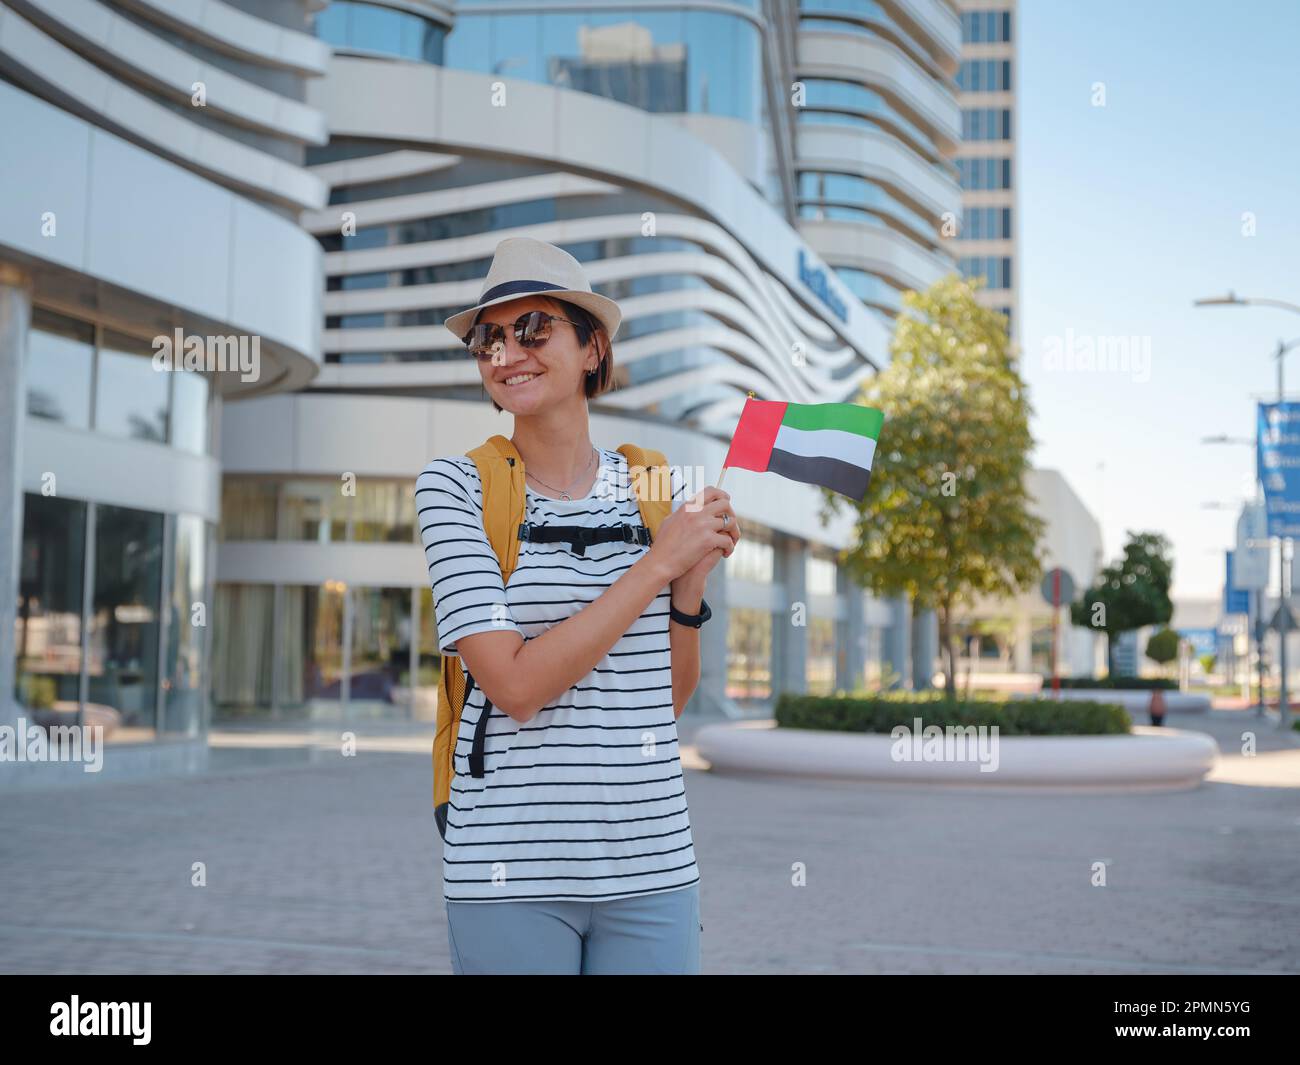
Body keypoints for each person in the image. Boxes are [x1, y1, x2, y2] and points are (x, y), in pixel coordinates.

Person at [415, 236, 740, 974]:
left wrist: (687, 593)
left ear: (592, 348)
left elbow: (666, 700)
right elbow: (517, 686)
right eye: (488, 338)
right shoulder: (455, 488)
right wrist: (657, 565)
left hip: (653, 863)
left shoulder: (653, 487)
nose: (507, 352)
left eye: (533, 329)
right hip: (510, 870)